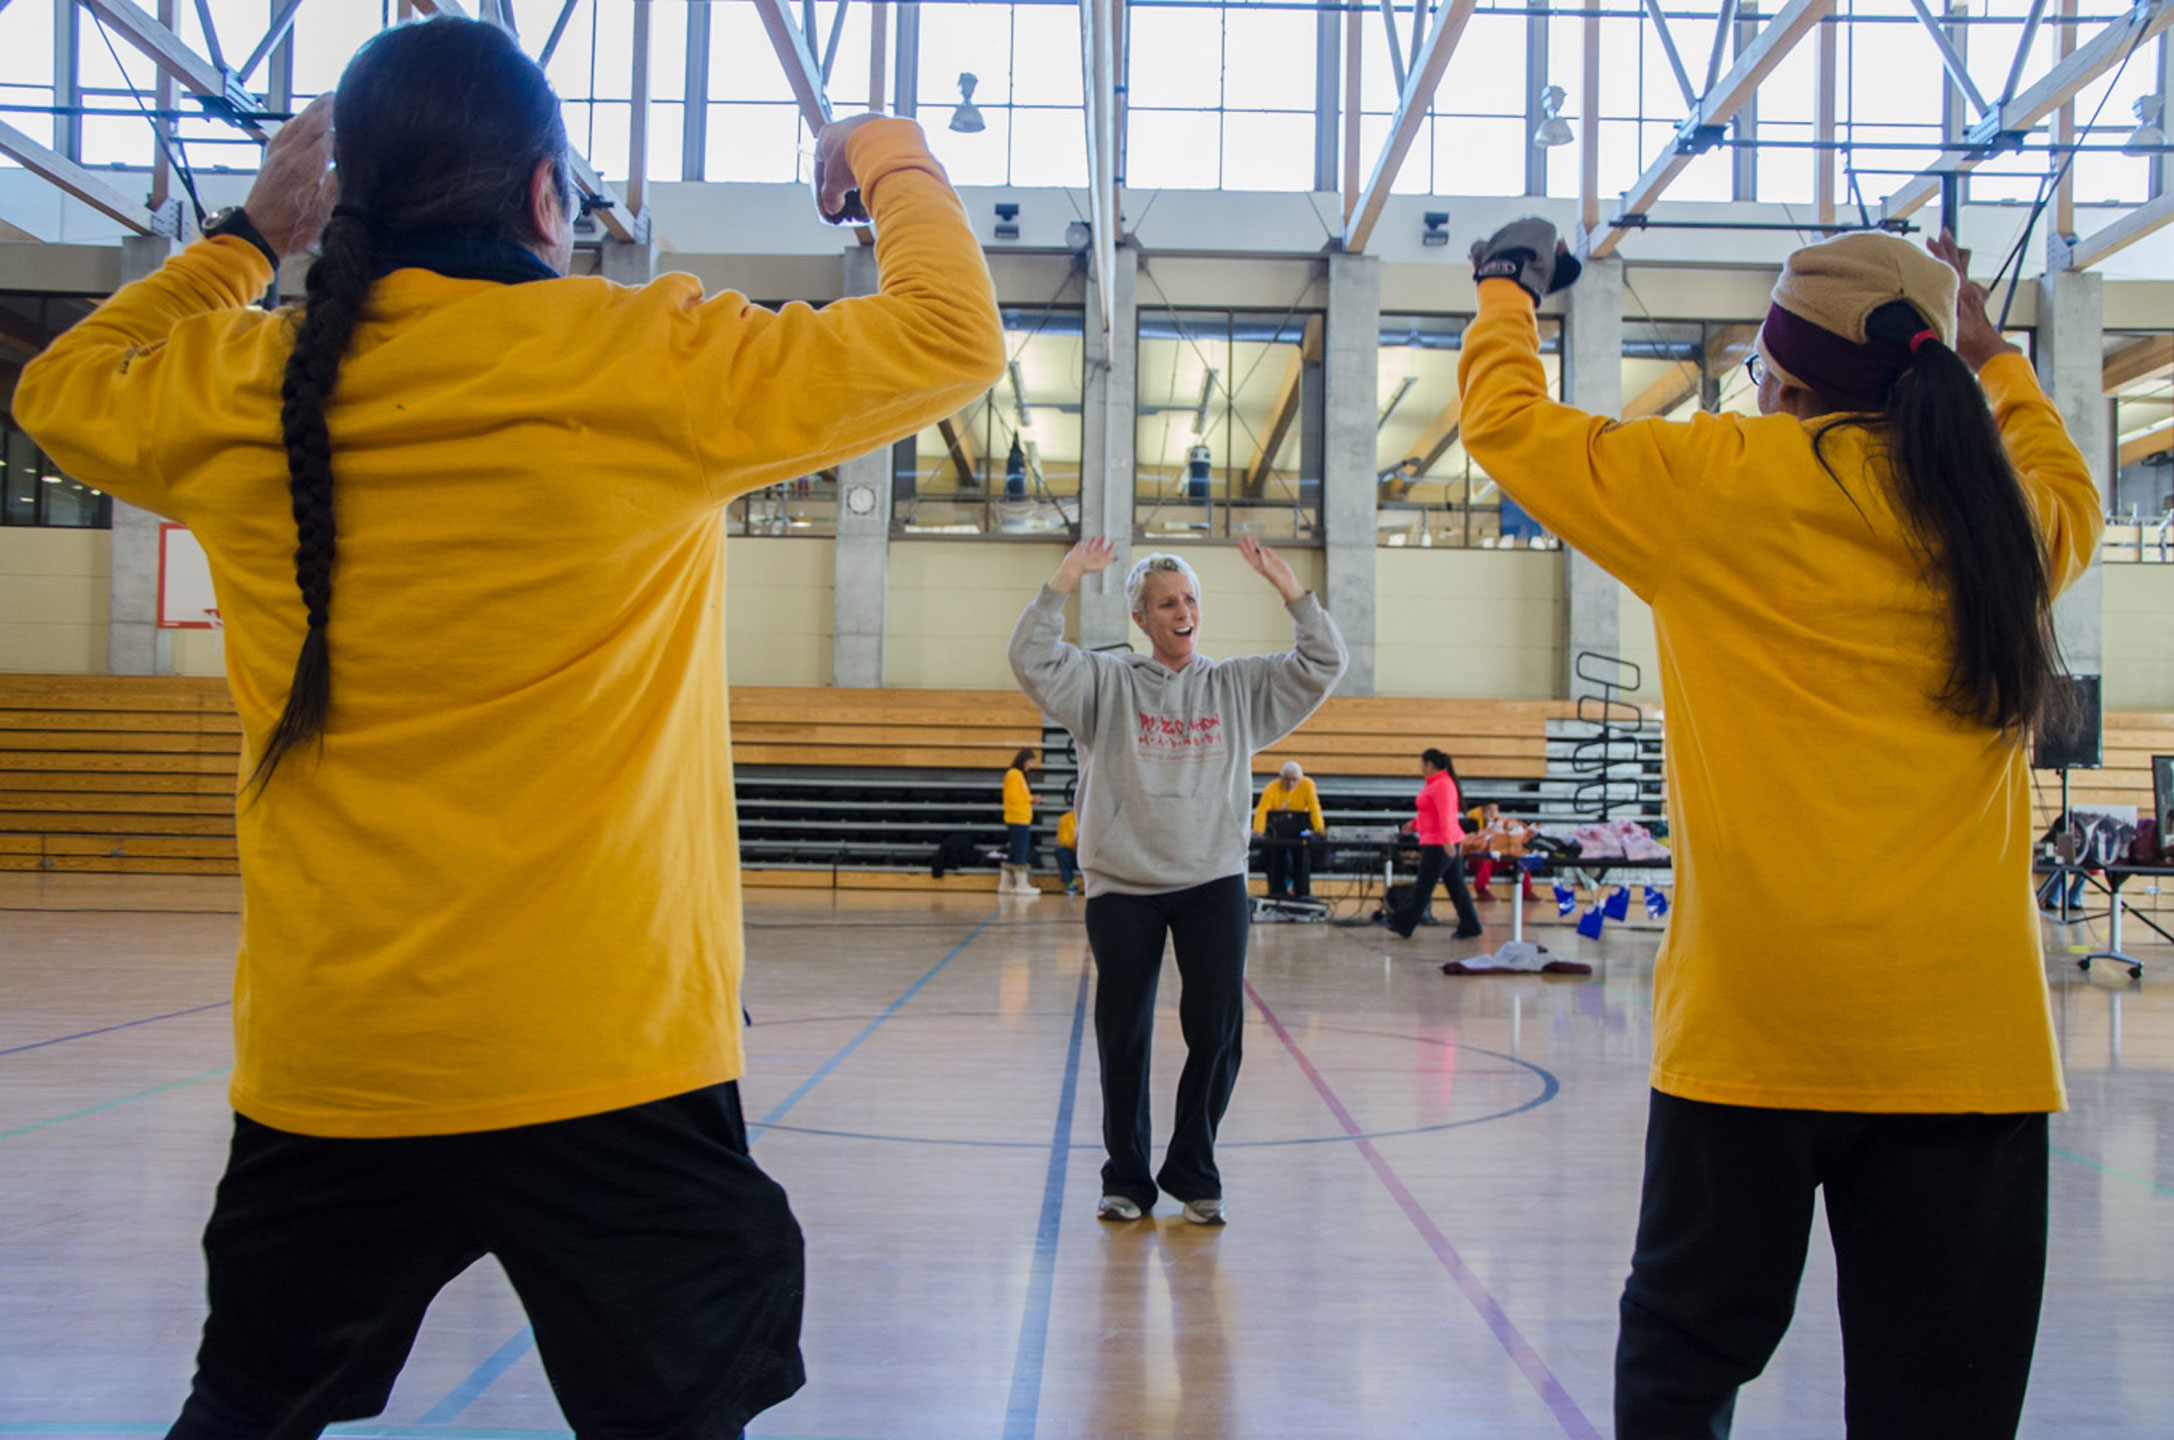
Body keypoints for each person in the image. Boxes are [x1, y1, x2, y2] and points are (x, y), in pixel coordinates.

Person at [13, 18, 1006, 1438]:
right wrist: (881, 155)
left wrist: (244, 237)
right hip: (609, 1056)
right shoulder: (639, 358)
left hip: (338, 1058)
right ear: (547, 196)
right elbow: (947, 334)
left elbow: (58, 390)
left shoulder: (244, 385)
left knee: (245, 1415)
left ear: (341, 205)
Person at [1459, 218, 2097, 1438]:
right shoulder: (1999, 524)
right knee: (1941, 1406)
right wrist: (1996, 359)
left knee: (1683, 1368)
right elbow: (2069, 484)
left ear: (1786, 379)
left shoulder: (1719, 481)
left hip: (1755, 1029)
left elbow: (1506, 426)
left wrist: (1505, 293)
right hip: (1968, 1049)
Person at [1008, 537, 1346, 1225]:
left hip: (1211, 878)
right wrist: (1067, 577)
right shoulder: (1104, 683)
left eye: (1190, 599)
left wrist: (1290, 587)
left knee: (1217, 1030)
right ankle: (1126, 1179)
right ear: (1142, 618)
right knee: (1122, 1036)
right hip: (1123, 883)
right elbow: (1031, 657)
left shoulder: (1236, 687)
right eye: (1167, 602)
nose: (1183, 611)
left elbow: (1323, 661)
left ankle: (1194, 1166)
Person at [1386, 749, 1484, 940]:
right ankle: (1471, 925)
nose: (1420, 768)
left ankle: (1401, 923)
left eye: (1422, 764)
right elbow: (1429, 814)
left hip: (1439, 843)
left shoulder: (1442, 785)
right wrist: (1413, 825)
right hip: (1440, 840)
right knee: (1456, 887)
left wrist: (1447, 841)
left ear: (1430, 764)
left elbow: (1446, 815)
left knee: (1424, 886)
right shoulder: (1437, 784)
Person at [1252, 759, 1325, 899]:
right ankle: (1277, 892)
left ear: (1300, 779)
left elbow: (1314, 807)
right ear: (1280, 778)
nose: (1290, 784)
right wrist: (1258, 831)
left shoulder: (1308, 785)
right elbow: (1262, 810)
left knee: (1302, 856)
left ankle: (1302, 892)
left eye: (1294, 780)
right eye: (1286, 779)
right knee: (1274, 856)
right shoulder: (1271, 788)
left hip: (1299, 833)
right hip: (1277, 834)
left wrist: (1319, 829)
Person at [1466, 803, 1538, 903]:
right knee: (1486, 859)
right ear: (1482, 811)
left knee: (1522, 858)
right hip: (1475, 858)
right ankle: (1482, 890)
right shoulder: (1471, 823)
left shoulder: (1503, 825)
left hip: (1498, 856)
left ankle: (1526, 891)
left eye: (1494, 810)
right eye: (1489, 810)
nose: (1492, 813)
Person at [1001, 747, 1039, 895]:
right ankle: (1021, 884)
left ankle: (1005, 884)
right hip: (1017, 817)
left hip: (1019, 817)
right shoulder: (1014, 775)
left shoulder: (1018, 775)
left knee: (1014, 851)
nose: (1031, 765)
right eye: (1030, 761)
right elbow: (1013, 797)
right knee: (1021, 850)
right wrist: (1031, 799)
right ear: (1023, 760)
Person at [1055, 801, 1081, 895]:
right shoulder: (1065, 819)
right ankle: (1071, 884)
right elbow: (1062, 842)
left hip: (1088, 854)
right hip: (1074, 854)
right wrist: (1075, 842)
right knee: (1061, 851)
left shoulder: (1092, 819)